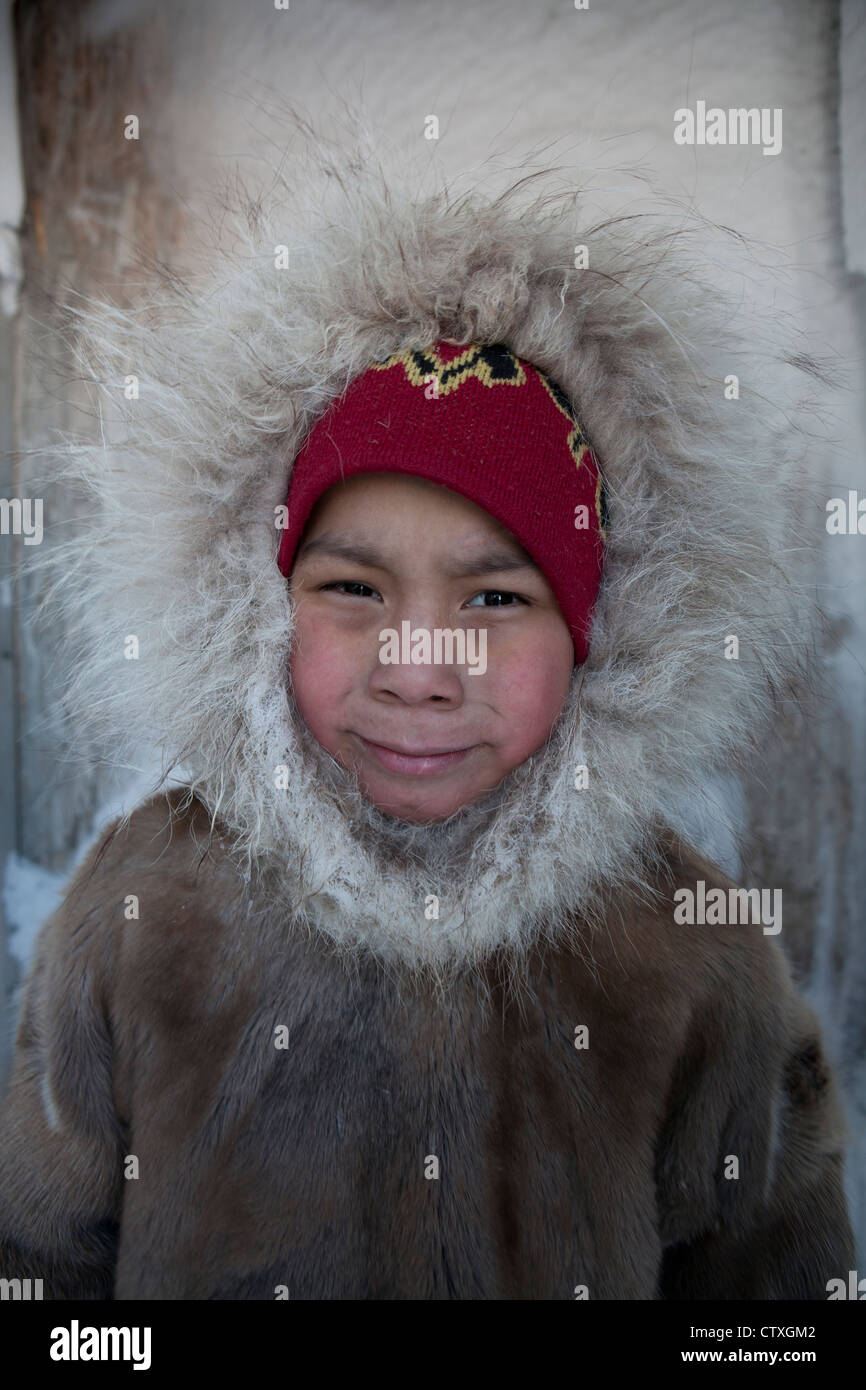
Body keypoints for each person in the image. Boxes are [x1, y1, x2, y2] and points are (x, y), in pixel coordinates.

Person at [0, 149, 854, 1299]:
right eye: (351, 589)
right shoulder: (144, 911)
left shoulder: (688, 954)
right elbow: (40, 1270)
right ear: (259, 607)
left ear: (600, 634)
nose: (418, 669)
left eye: (495, 599)